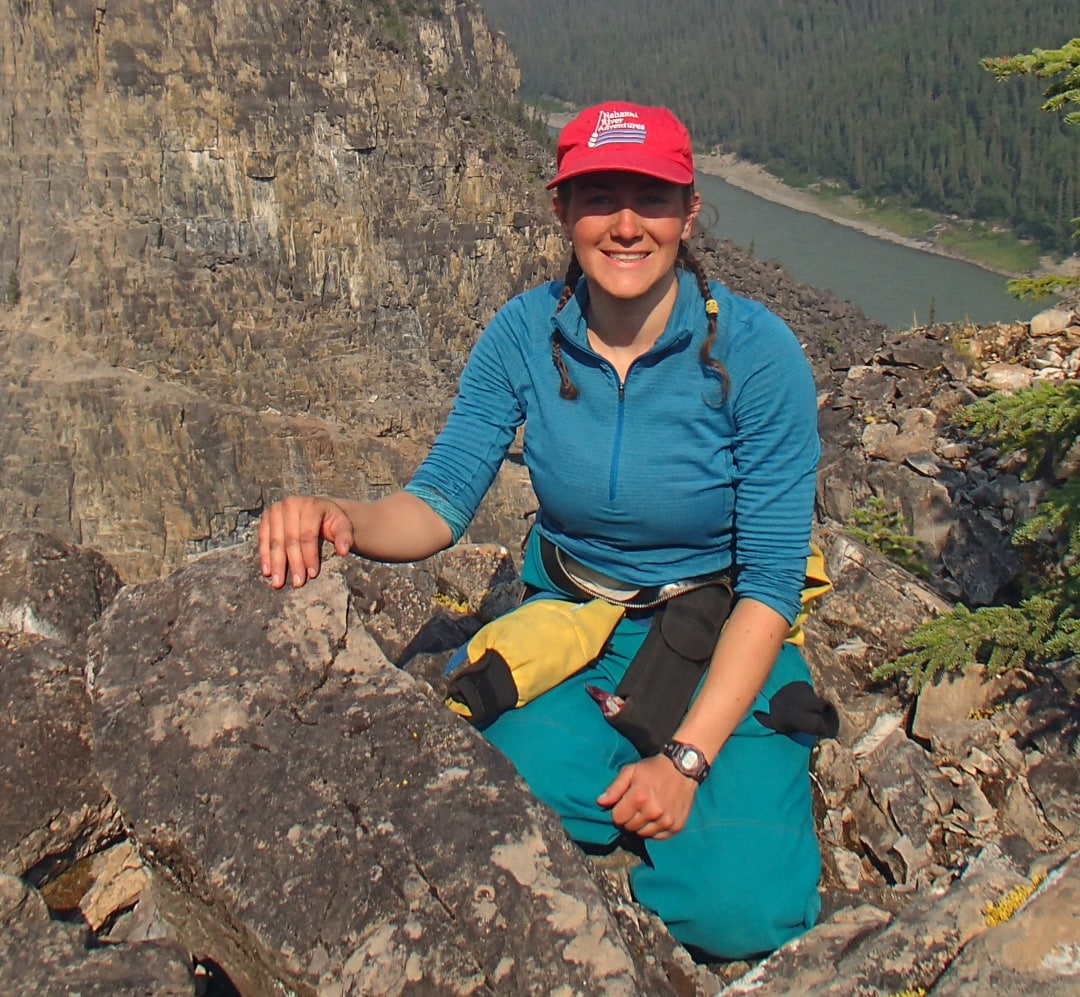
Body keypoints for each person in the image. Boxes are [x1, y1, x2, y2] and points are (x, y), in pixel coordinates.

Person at [258, 101, 823, 961]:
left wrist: (686, 763)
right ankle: (643, 813)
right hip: (576, 622)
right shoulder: (525, 334)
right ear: (563, 212)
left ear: (689, 212)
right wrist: (343, 516)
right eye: (600, 196)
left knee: (740, 912)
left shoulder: (758, 354)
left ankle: (689, 801)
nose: (626, 224)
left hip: (719, 630)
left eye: (653, 197)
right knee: (482, 804)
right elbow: (440, 501)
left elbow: (773, 581)